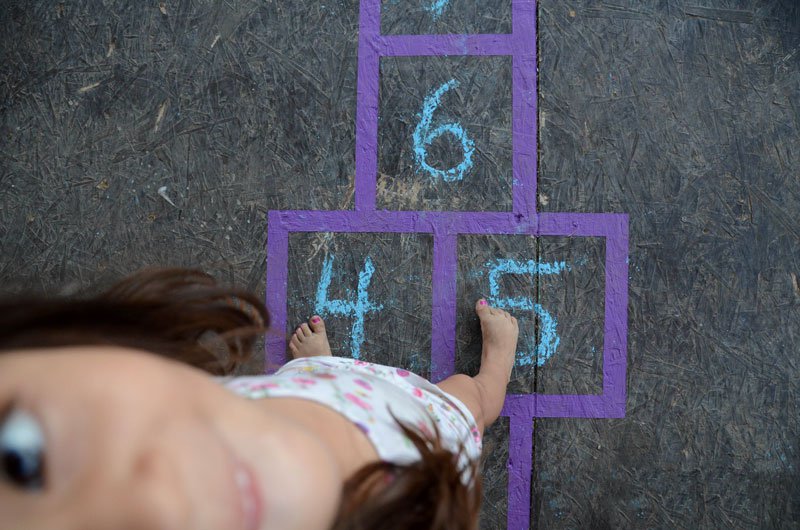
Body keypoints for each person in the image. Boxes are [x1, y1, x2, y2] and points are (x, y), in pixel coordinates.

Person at [0, 268, 518, 530]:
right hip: (424, 431)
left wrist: (317, 372)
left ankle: (321, 366)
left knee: (310, 372)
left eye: (21, 456)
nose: (161, 506)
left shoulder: (197, 404)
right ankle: (491, 379)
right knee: (468, 399)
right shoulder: (421, 499)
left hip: (311, 388)